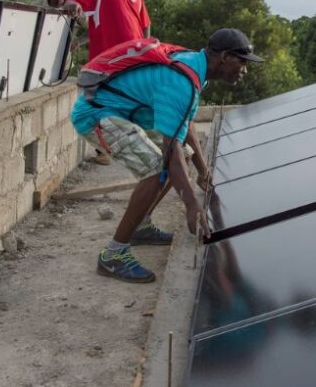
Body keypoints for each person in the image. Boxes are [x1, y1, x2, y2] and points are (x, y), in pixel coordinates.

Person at [71, 28, 264, 283]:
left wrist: (203, 171)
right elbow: (170, 147)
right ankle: (113, 255)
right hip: (96, 114)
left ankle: (141, 227)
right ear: (226, 57)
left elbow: (186, 123)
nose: (245, 69)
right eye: (243, 62)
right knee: (156, 169)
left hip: (115, 112)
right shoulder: (182, 79)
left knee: (182, 158)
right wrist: (190, 202)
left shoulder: (195, 69)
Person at [65, 0, 152, 165]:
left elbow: (144, 23)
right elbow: (74, 0)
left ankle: (127, 146)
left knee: (127, 102)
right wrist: (73, 5)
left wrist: (147, 49)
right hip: (106, 62)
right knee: (102, 104)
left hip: (132, 61)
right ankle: (103, 152)